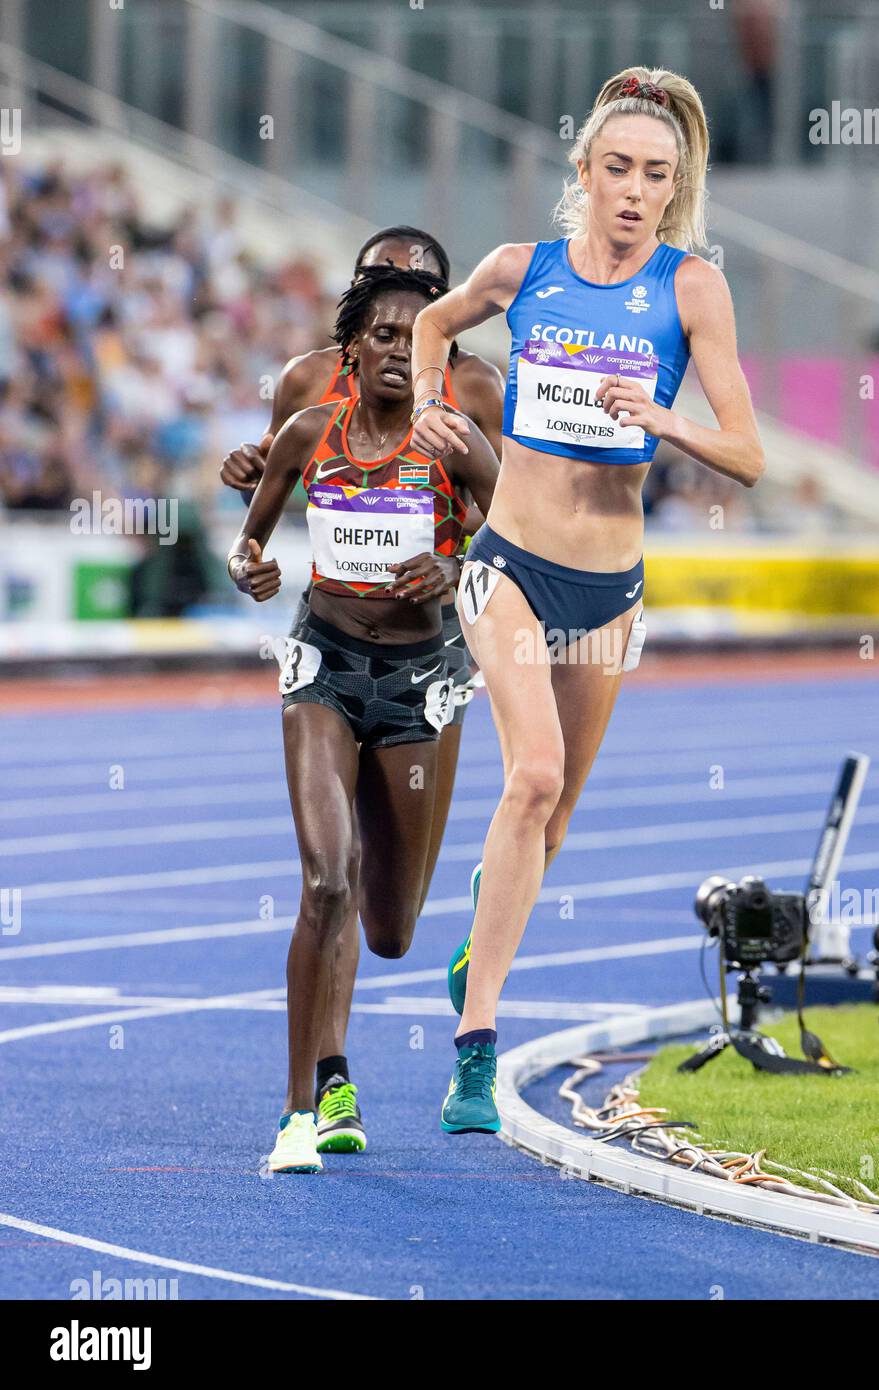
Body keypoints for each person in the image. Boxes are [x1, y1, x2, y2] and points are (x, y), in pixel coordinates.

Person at [409, 67, 765, 1134]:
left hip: (608, 589)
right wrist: (430, 405)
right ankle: (475, 1048)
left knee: (554, 814)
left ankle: (489, 928)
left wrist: (666, 422)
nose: (632, 191)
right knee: (535, 775)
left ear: (674, 187)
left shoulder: (693, 289)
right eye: (616, 168)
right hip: (507, 562)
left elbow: (745, 451)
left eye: (655, 175)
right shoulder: (522, 272)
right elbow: (432, 323)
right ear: (583, 170)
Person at [220, 228, 503, 1156]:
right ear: (355, 320)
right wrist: (247, 495)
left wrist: (454, 561)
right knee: (326, 880)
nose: (399, 325)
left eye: (418, 303)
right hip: (323, 660)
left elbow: (502, 526)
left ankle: (483, 925)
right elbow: (272, 474)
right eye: (380, 306)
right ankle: (321, 1093)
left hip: (426, 673)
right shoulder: (311, 386)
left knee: (390, 930)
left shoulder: (472, 398)